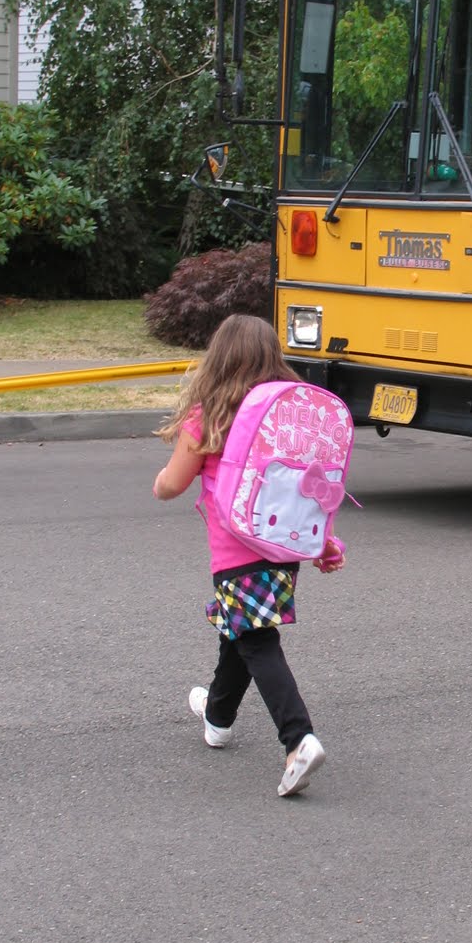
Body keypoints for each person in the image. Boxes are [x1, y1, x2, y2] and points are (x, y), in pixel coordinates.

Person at [152, 314, 344, 797]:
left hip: (235, 549)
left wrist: (159, 484)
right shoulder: (287, 419)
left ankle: (298, 739)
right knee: (238, 627)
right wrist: (322, 543)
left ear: (218, 358)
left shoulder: (210, 414)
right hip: (283, 546)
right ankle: (217, 719)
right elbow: (308, 489)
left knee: (255, 637)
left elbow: (172, 484)